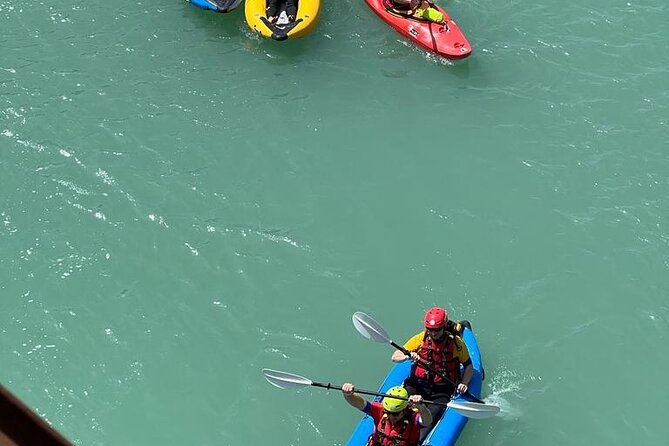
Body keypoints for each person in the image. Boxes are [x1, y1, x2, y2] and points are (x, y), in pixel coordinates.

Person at [391, 307, 472, 433]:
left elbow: (468, 365)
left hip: (441, 390)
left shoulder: (456, 343)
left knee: (429, 418)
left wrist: (464, 383)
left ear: (444, 327)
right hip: (417, 384)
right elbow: (395, 356)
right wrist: (407, 355)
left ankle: (417, 437)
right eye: (430, 329)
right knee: (399, 409)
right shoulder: (420, 339)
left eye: (437, 330)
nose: (433, 333)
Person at [342, 383, 432, 446]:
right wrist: (348, 395)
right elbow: (360, 404)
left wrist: (421, 407)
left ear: (404, 409)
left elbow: (427, 421)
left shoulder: (413, 417)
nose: (391, 416)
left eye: (395, 414)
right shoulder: (380, 410)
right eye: (388, 412)